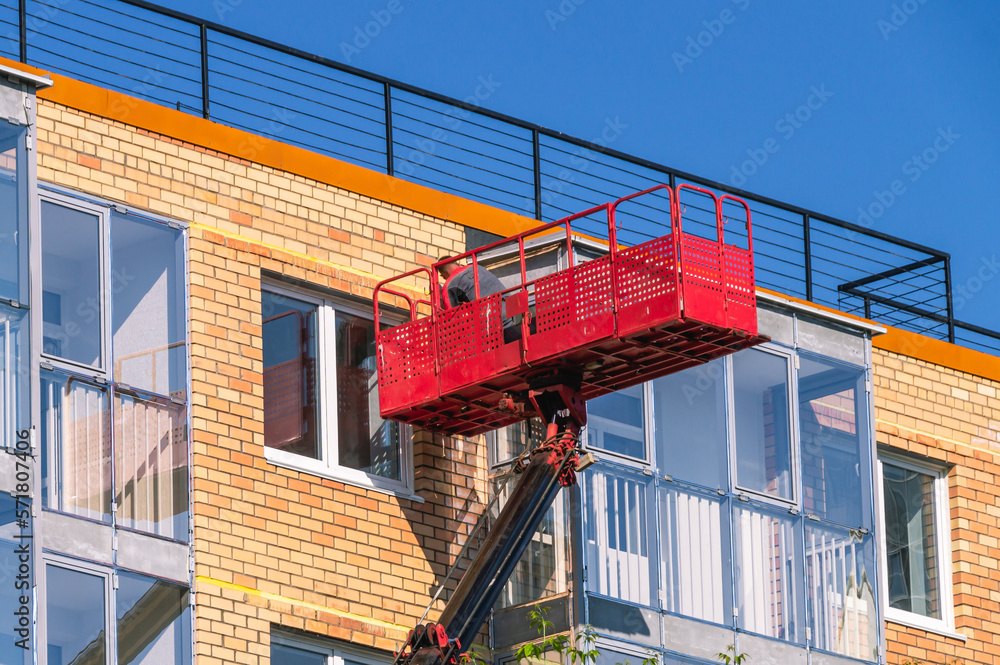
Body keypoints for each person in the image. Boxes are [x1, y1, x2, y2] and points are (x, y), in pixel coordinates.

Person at [436, 254, 521, 343]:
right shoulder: (478, 267)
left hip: (489, 317)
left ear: (443, 276)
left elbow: (452, 320)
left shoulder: (449, 285)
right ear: (459, 264)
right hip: (509, 308)